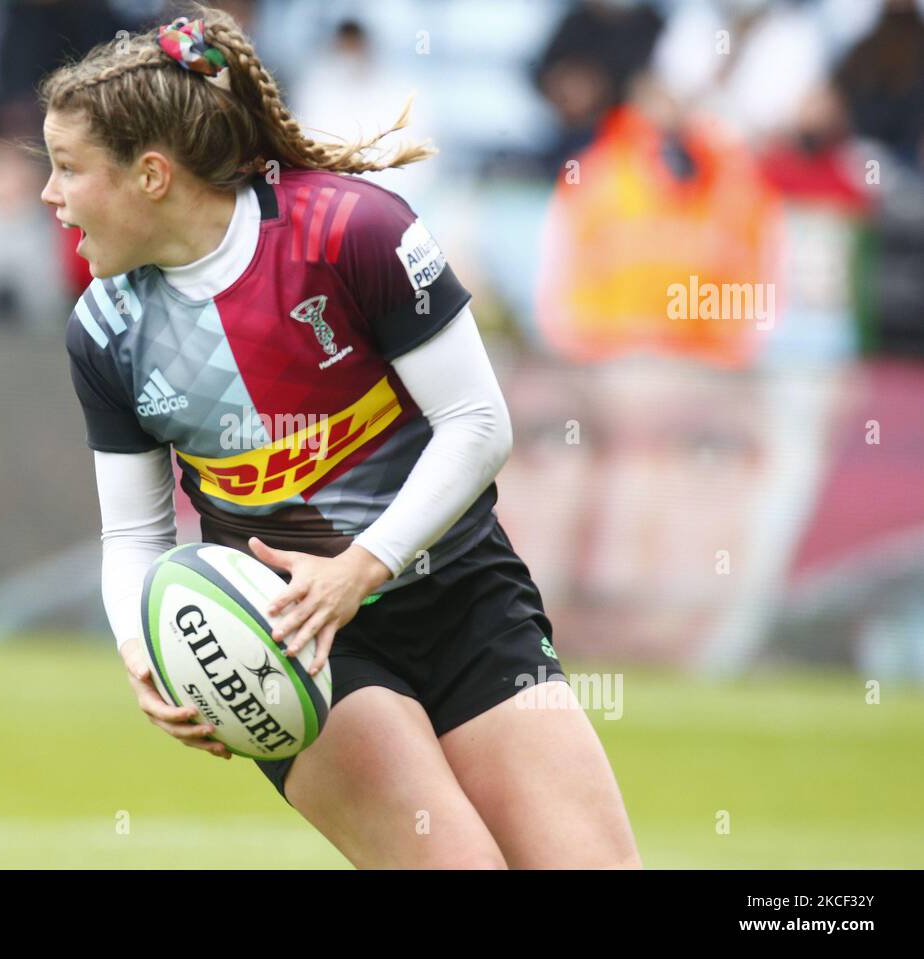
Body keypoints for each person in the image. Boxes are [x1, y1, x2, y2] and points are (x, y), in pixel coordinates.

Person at [44, 7, 641, 869]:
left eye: (67, 168)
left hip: (463, 601)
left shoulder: (350, 231)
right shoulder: (103, 331)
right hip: (293, 643)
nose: (49, 195)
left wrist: (360, 569)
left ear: (150, 174)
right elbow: (134, 534)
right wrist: (146, 651)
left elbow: (478, 426)